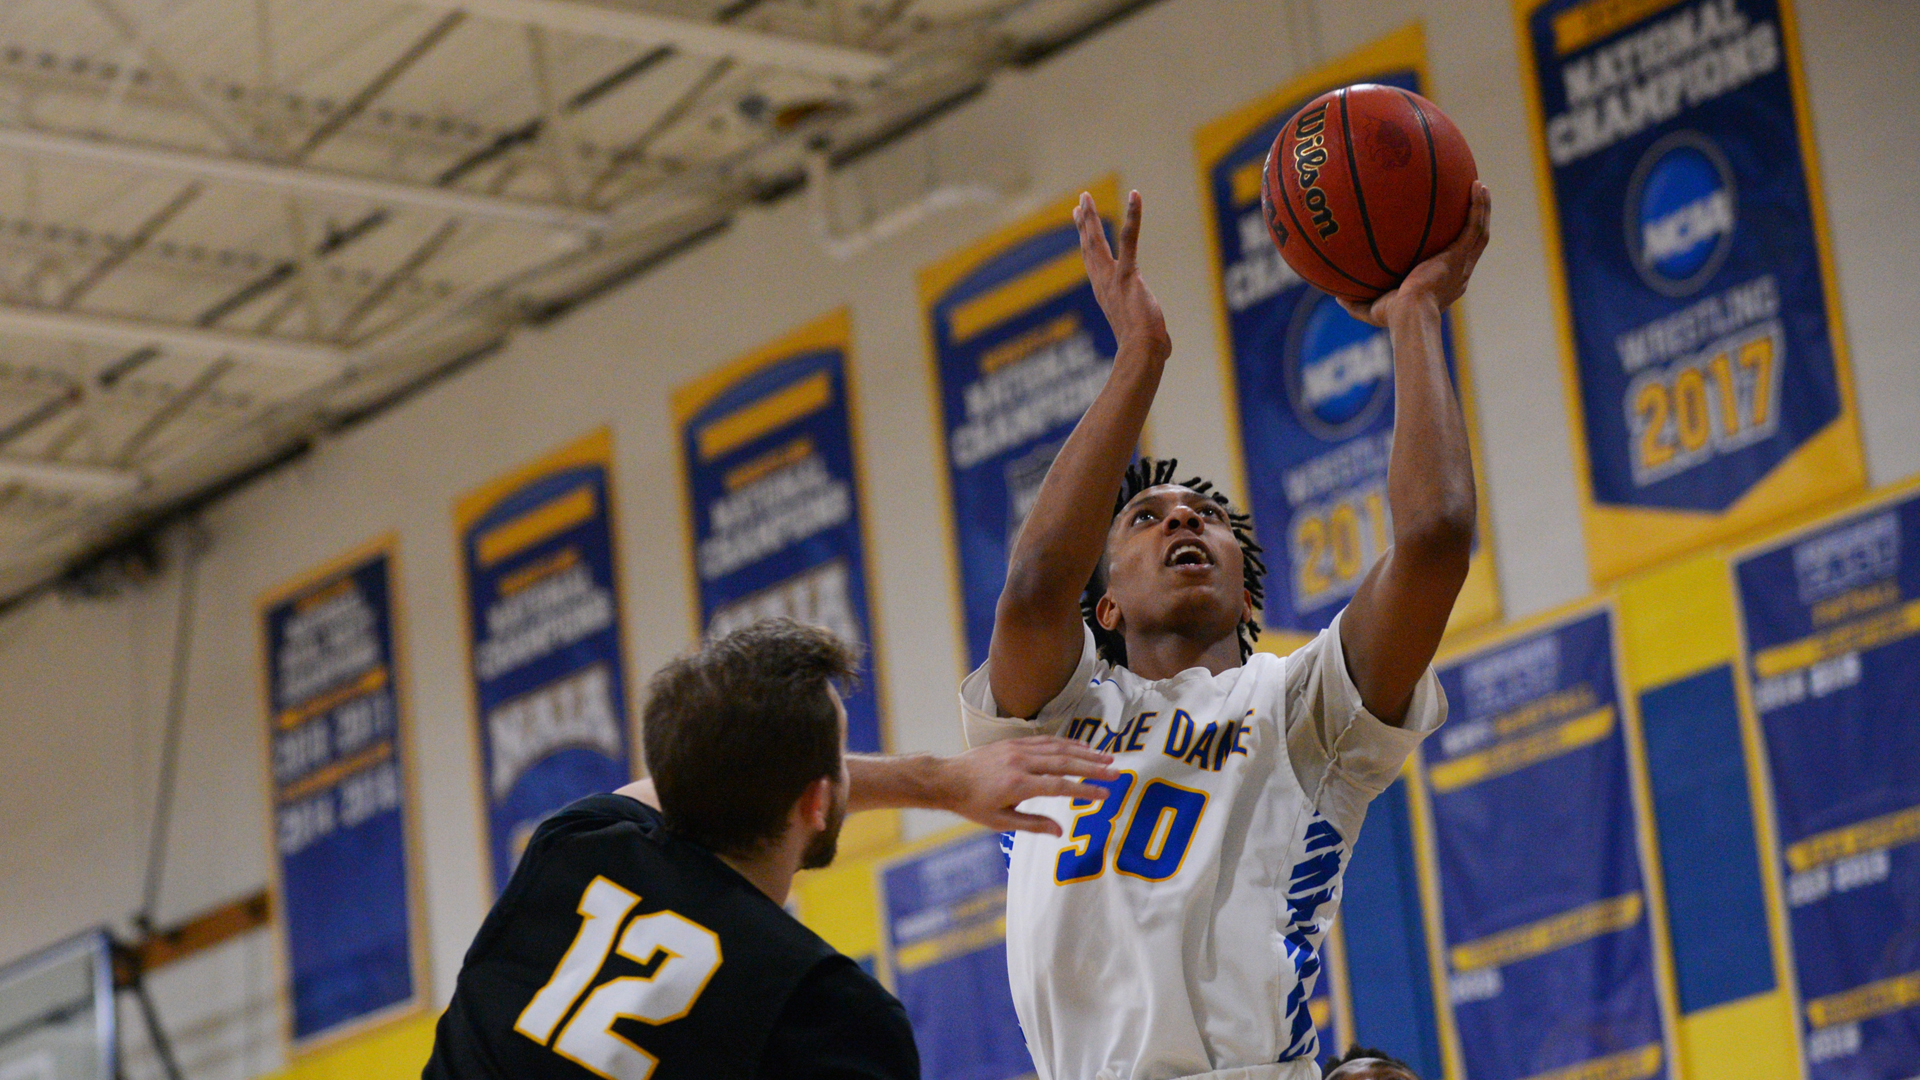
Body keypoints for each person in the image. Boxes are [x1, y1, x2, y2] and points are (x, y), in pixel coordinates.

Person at [959, 181, 1491, 1080]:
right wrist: (1139, 357)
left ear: (1250, 599)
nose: (1183, 522)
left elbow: (1434, 540)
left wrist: (1414, 316)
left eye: (1206, 518)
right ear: (1108, 609)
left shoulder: (1300, 709)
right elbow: (1032, 590)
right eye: (1149, 518)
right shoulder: (1048, 722)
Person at [425, 618, 1118, 1080]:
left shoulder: (574, 846)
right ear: (817, 804)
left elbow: (664, 788)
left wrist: (939, 783)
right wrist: (939, 783)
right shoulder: (829, 1009)